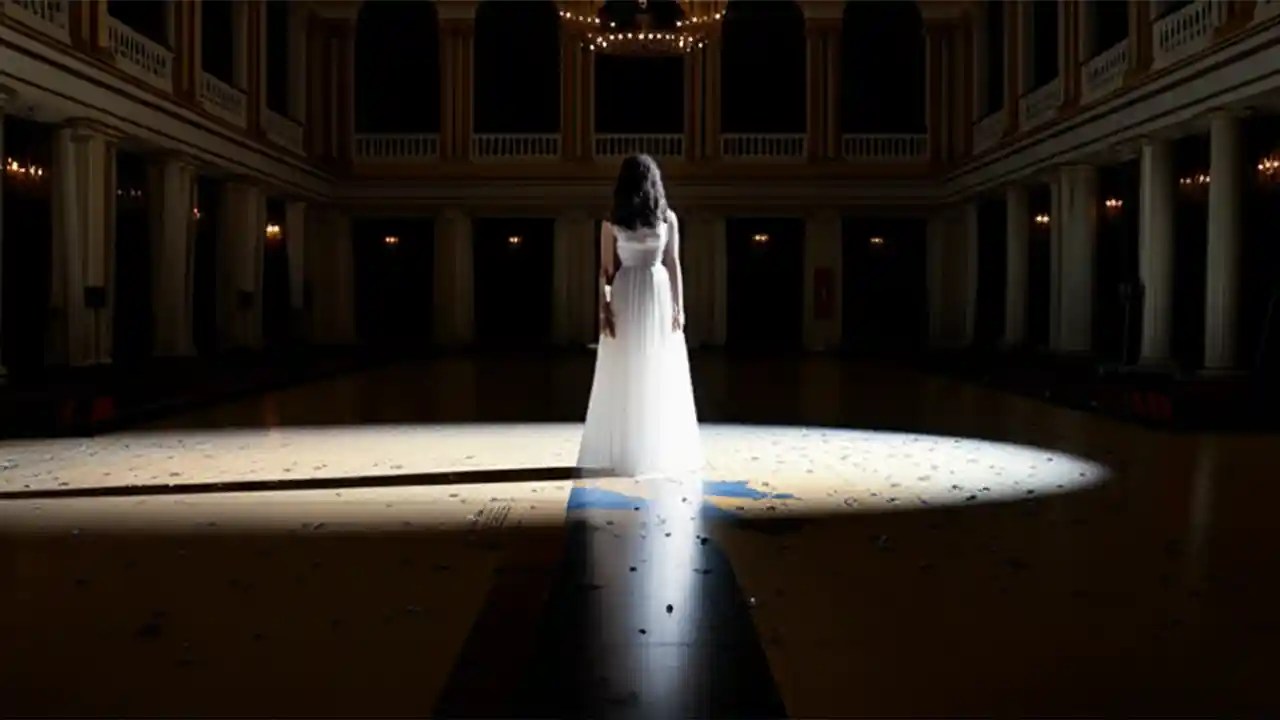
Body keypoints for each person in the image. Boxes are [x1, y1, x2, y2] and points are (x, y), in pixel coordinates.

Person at [577, 154, 703, 476]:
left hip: (656, 289)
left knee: (655, 364)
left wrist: (679, 306)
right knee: (628, 364)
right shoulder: (611, 222)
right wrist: (603, 307)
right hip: (627, 290)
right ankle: (628, 448)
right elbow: (605, 271)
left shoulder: (667, 219)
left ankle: (655, 447)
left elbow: (673, 262)